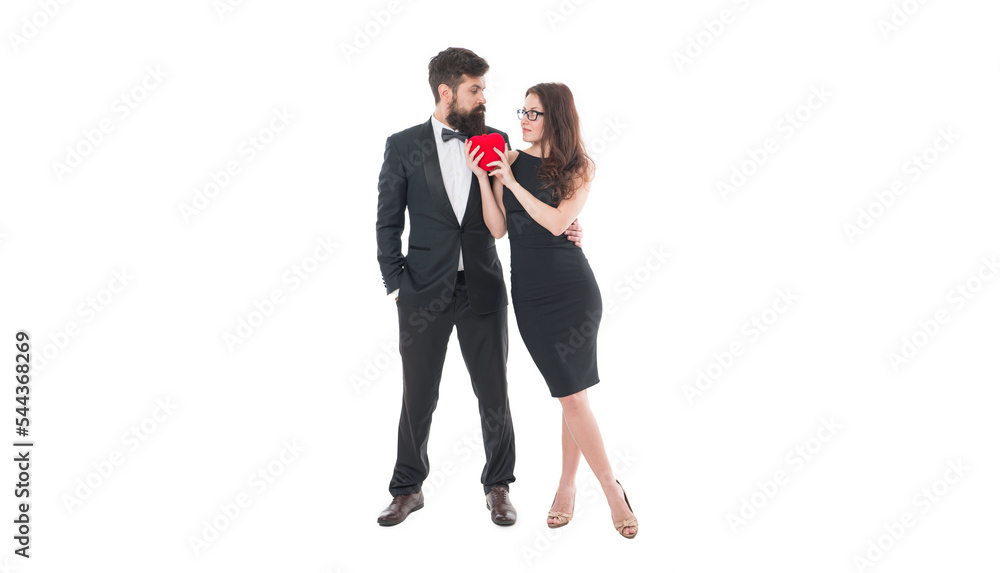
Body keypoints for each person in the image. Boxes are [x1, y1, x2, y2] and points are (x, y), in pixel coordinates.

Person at [375, 48, 584, 526]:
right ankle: (407, 488)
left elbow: (529, 200)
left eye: (484, 89)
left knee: (494, 392)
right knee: (418, 394)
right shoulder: (403, 145)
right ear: (446, 92)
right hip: (421, 291)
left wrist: (569, 225)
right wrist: (396, 283)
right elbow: (387, 222)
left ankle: (499, 486)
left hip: (483, 286)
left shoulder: (497, 140)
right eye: (475, 89)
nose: (484, 97)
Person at [464, 82, 638, 538]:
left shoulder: (580, 166)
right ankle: (569, 484)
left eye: (533, 113)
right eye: (522, 111)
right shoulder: (509, 159)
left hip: (573, 290)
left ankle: (607, 490)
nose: (523, 119)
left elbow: (559, 222)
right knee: (571, 394)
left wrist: (511, 183)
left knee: (572, 397)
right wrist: (486, 179)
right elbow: (498, 229)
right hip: (530, 296)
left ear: (555, 118)